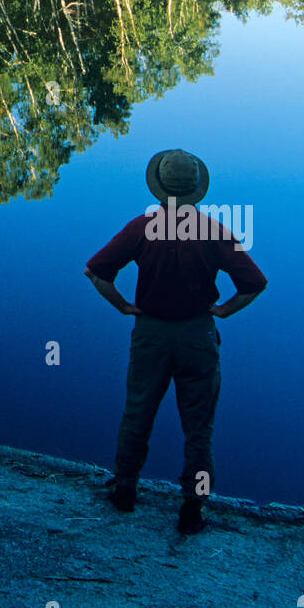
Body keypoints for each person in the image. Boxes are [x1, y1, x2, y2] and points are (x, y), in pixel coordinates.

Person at [84, 149, 268, 534]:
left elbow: (96, 271)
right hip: (197, 336)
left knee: (137, 415)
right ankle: (192, 509)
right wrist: (225, 310)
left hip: (150, 334)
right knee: (198, 429)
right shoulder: (214, 231)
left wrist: (122, 306)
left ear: (160, 189)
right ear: (196, 190)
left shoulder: (141, 228)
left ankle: (125, 490)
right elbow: (255, 284)